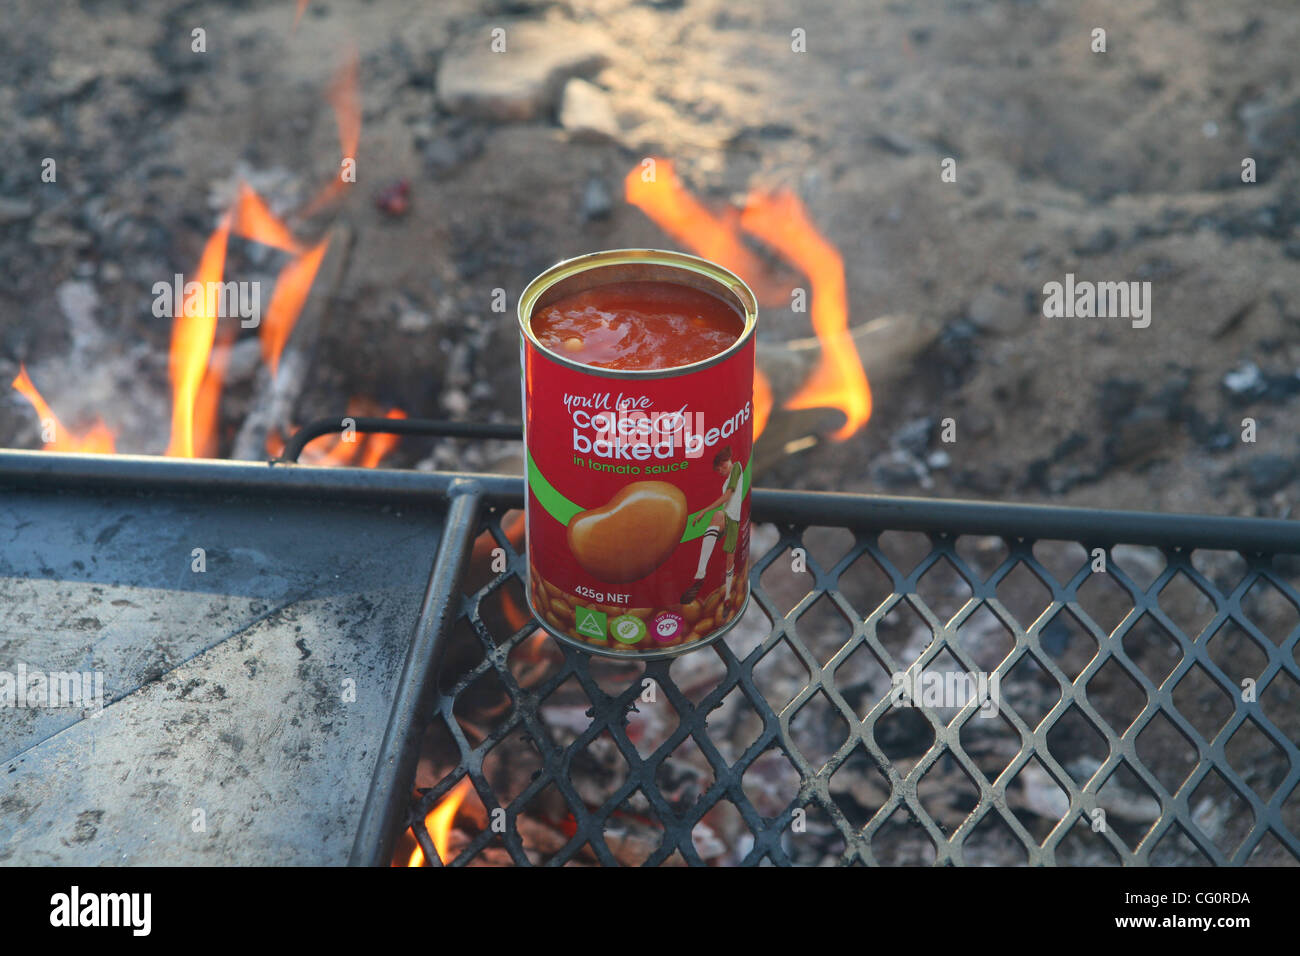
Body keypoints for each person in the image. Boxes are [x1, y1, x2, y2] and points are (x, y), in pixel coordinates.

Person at [680, 446, 743, 605]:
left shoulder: (736, 468)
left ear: (726, 462)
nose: (720, 472)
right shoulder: (726, 480)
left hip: (734, 519)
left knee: (730, 561)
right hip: (727, 517)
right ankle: (700, 573)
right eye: (718, 470)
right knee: (718, 516)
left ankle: (728, 597)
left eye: (720, 469)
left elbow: (728, 495)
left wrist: (703, 511)